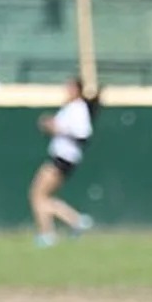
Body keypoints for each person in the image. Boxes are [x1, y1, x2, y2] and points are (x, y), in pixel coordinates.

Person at [29, 76, 99, 246]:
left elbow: (83, 134)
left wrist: (57, 128)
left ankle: (48, 233)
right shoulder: (70, 108)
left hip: (63, 158)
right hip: (61, 156)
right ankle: (75, 221)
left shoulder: (78, 108)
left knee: (37, 194)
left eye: (69, 87)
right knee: (43, 196)